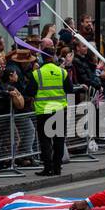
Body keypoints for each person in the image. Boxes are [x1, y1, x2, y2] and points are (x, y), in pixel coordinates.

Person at [32, 46, 71, 177]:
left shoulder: (37, 74)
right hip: (59, 110)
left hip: (44, 112)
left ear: (42, 57)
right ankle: (57, 168)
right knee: (59, 140)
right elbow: (69, 90)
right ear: (54, 56)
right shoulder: (62, 72)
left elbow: (29, 91)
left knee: (45, 141)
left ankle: (47, 168)